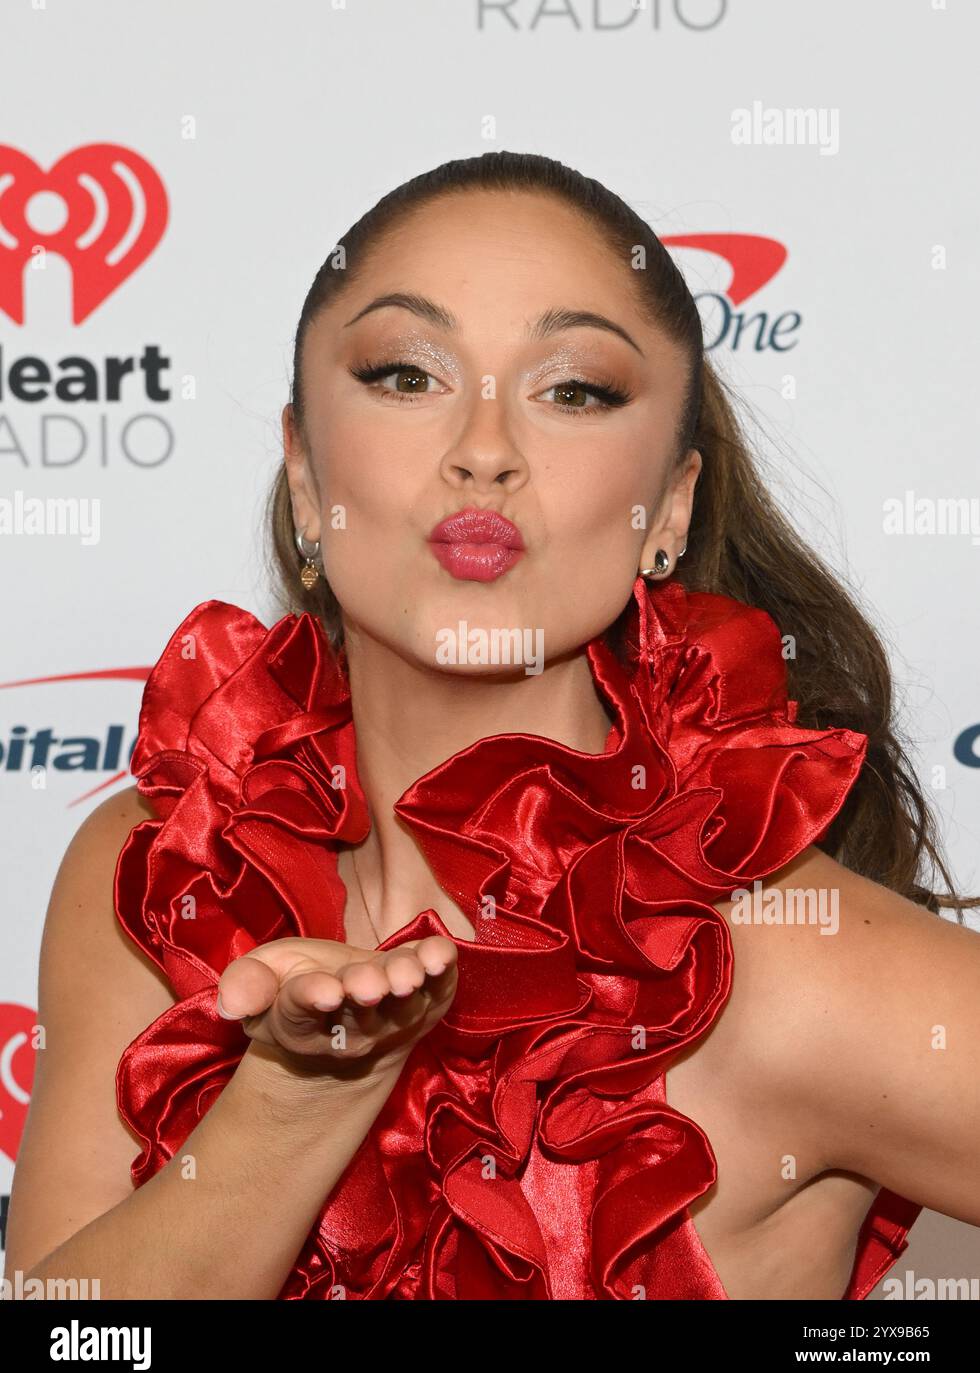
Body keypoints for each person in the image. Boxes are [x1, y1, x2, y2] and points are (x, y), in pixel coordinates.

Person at [7, 152, 980, 1301]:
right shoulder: (159, 874)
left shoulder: (784, 963)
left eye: (571, 389)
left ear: (665, 508)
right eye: (406, 373)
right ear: (304, 467)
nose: (483, 449)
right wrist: (288, 1102)